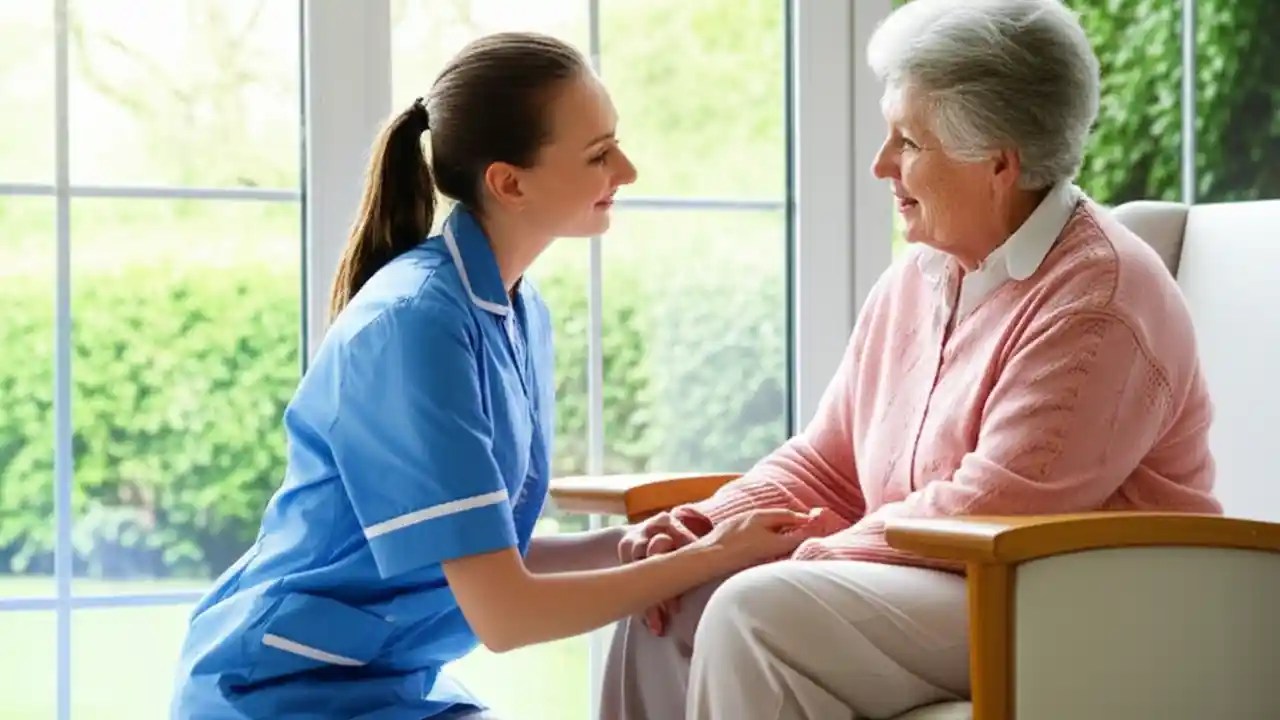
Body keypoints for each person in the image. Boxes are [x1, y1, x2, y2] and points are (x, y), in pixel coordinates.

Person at [169, 32, 826, 720]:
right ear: (509, 182)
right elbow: (505, 615)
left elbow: (489, 557)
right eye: (599, 154)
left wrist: (628, 544)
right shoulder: (415, 325)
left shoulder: (513, 307)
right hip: (275, 694)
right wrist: (707, 558)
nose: (626, 171)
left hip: (389, 685)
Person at [600, 1, 1223, 719]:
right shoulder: (920, 276)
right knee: (663, 595)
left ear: (997, 161)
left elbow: (995, 507)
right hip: (953, 578)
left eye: (909, 142)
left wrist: (801, 553)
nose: (880, 165)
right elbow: (826, 462)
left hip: (1078, 600)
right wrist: (704, 531)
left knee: (751, 610)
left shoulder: (1099, 301)